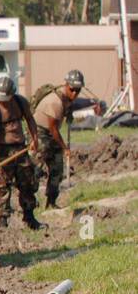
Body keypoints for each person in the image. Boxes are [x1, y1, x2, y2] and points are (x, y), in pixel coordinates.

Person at [32, 70, 101, 208]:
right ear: (66, 85)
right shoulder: (55, 102)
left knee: (57, 167)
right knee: (35, 169)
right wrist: (65, 148)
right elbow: (53, 129)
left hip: (51, 133)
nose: (75, 93)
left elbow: (77, 104)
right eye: (72, 89)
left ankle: (51, 202)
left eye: (78, 90)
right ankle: (29, 202)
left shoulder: (67, 98)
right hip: (38, 132)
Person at [0, 75, 42, 229]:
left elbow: (30, 120)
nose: (3, 102)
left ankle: (29, 218)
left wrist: (35, 139)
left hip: (20, 149)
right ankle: (3, 221)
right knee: (1, 187)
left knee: (27, 183)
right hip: (1, 151)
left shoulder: (21, 103)